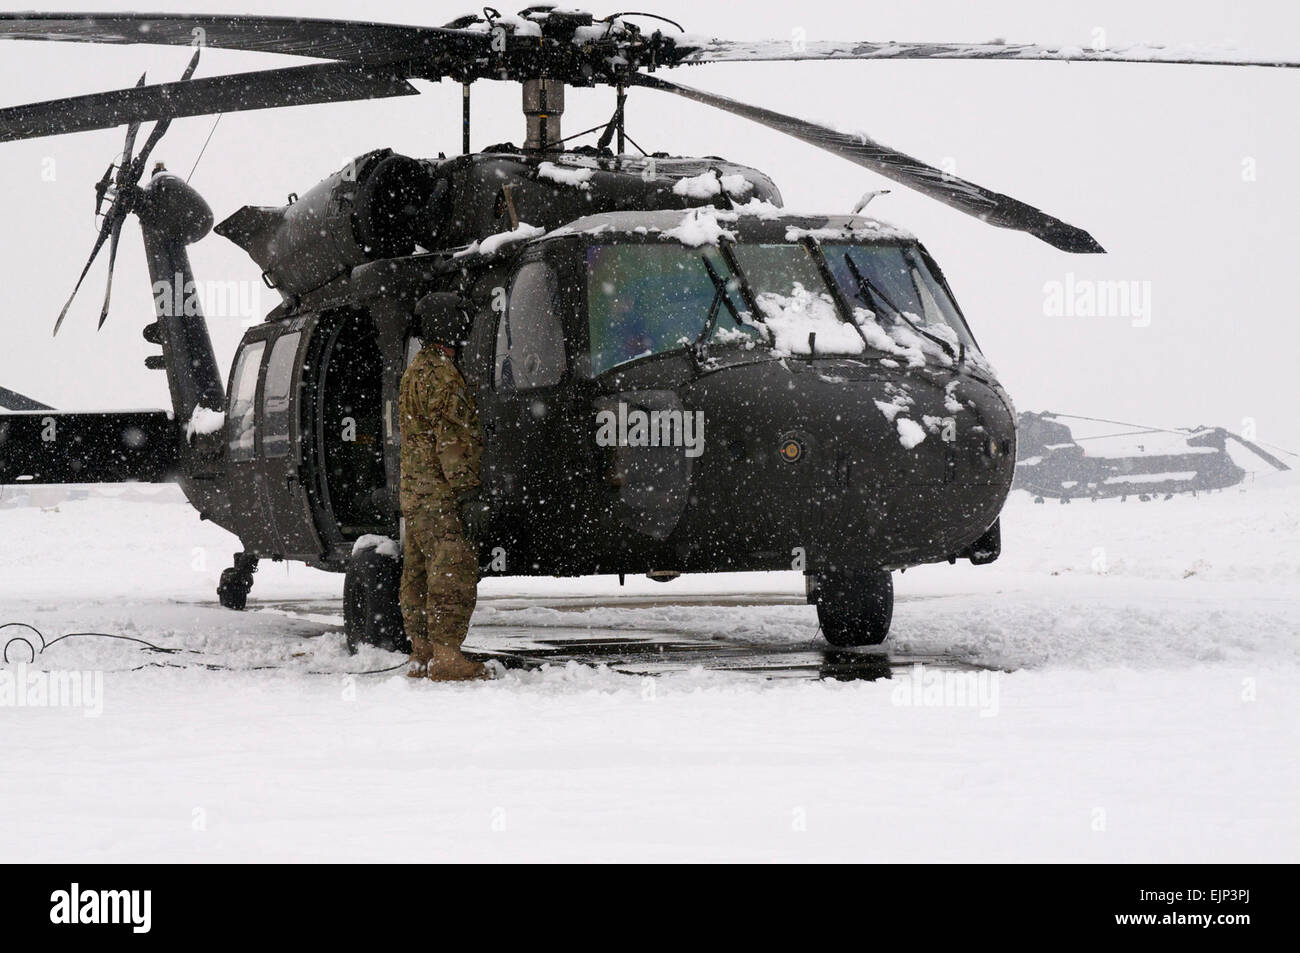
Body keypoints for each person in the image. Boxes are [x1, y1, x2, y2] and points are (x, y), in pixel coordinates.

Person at [398, 315, 488, 681]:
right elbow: (452, 439)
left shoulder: (416, 370)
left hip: (416, 492)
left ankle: (421, 654)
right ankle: (448, 657)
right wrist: (468, 492)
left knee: (418, 573)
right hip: (441, 492)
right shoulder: (445, 377)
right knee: (453, 568)